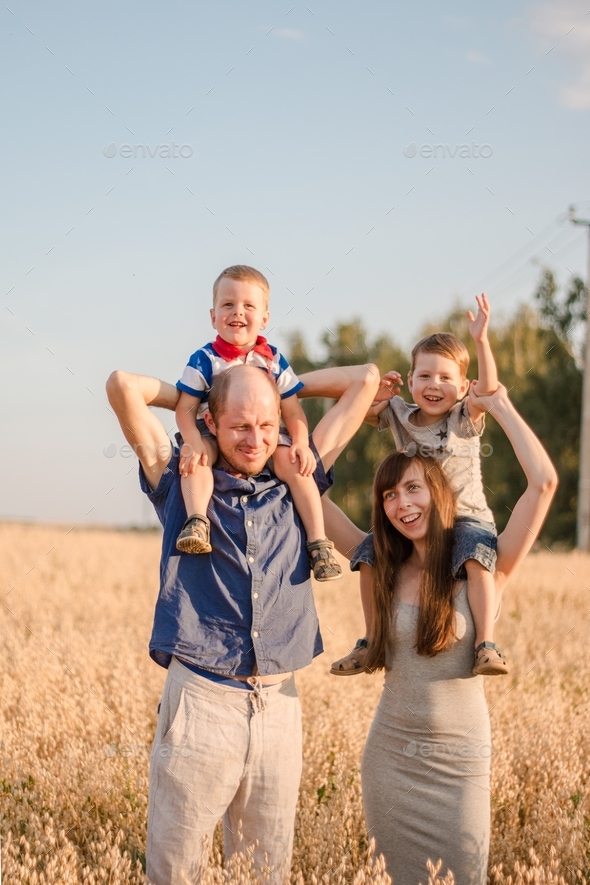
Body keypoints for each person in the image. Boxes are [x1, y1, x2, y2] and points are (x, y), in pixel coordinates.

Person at [105, 360, 379, 885]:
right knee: (175, 870)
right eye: (239, 426)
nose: (255, 440)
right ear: (212, 422)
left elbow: (364, 380)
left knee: (264, 872)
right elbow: (122, 386)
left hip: (280, 705)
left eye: (267, 425)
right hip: (202, 702)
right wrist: (193, 399)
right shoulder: (180, 481)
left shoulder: (297, 477)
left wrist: (283, 385)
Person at [323, 382, 558, 883]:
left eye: (413, 488)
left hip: (460, 766)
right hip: (389, 760)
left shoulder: (483, 563)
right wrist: (357, 398)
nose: (401, 503)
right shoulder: (380, 562)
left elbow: (543, 484)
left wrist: (500, 406)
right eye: (389, 494)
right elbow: (311, 490)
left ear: (440, 492)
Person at [331, 294, 508, 677]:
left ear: (463, 387)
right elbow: (354, 411)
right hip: (415, 517)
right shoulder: (399, 413)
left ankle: (486, 644)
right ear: (410, 381)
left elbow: (490, 391)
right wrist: (372, 394)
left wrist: (481, 340)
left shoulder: (463, 417)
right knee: (368, 555)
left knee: (478, 560)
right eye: (425, 376)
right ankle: (370, 641)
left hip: (464, 518)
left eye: (446, 378)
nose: (434, 385)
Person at [174, 264, 342, 582]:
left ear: (264, 317)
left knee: (293, 463)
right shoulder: (204, 359)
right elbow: (185, 408)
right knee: (197, 460)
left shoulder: (274, 359)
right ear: (213, 316)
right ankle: (197, 521)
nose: (238, 312)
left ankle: (319, 544)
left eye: (248, 305)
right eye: (228, 305)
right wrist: (193, 440)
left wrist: (302, 442)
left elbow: (292, 412)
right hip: (214, 433)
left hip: (264, 437)